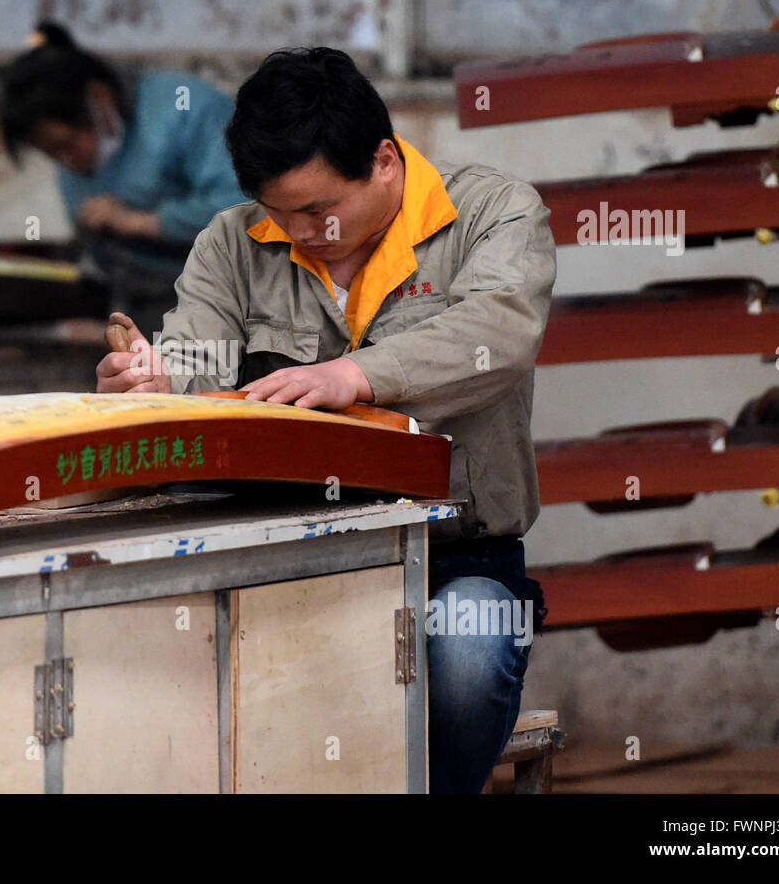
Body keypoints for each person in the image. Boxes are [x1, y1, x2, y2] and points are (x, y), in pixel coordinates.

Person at [95, 47, 556, 794]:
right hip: (278, 558)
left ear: (382, 160)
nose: (302, 230)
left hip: (454, 557)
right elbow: (195, 357)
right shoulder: (233, 242)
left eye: (318, 209)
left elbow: (500, 333)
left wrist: (356, 375)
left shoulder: (492, 213)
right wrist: (154, 379)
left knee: (468, 656)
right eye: (279, 212)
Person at [0, 22, 247, 330]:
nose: (65, 161)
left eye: (66, 144)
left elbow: (246, 204)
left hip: (233, 302)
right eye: (50, 153)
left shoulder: (183, 108)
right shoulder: (72, 162)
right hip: (147, 309)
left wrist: (140, 222)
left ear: (99, 98)